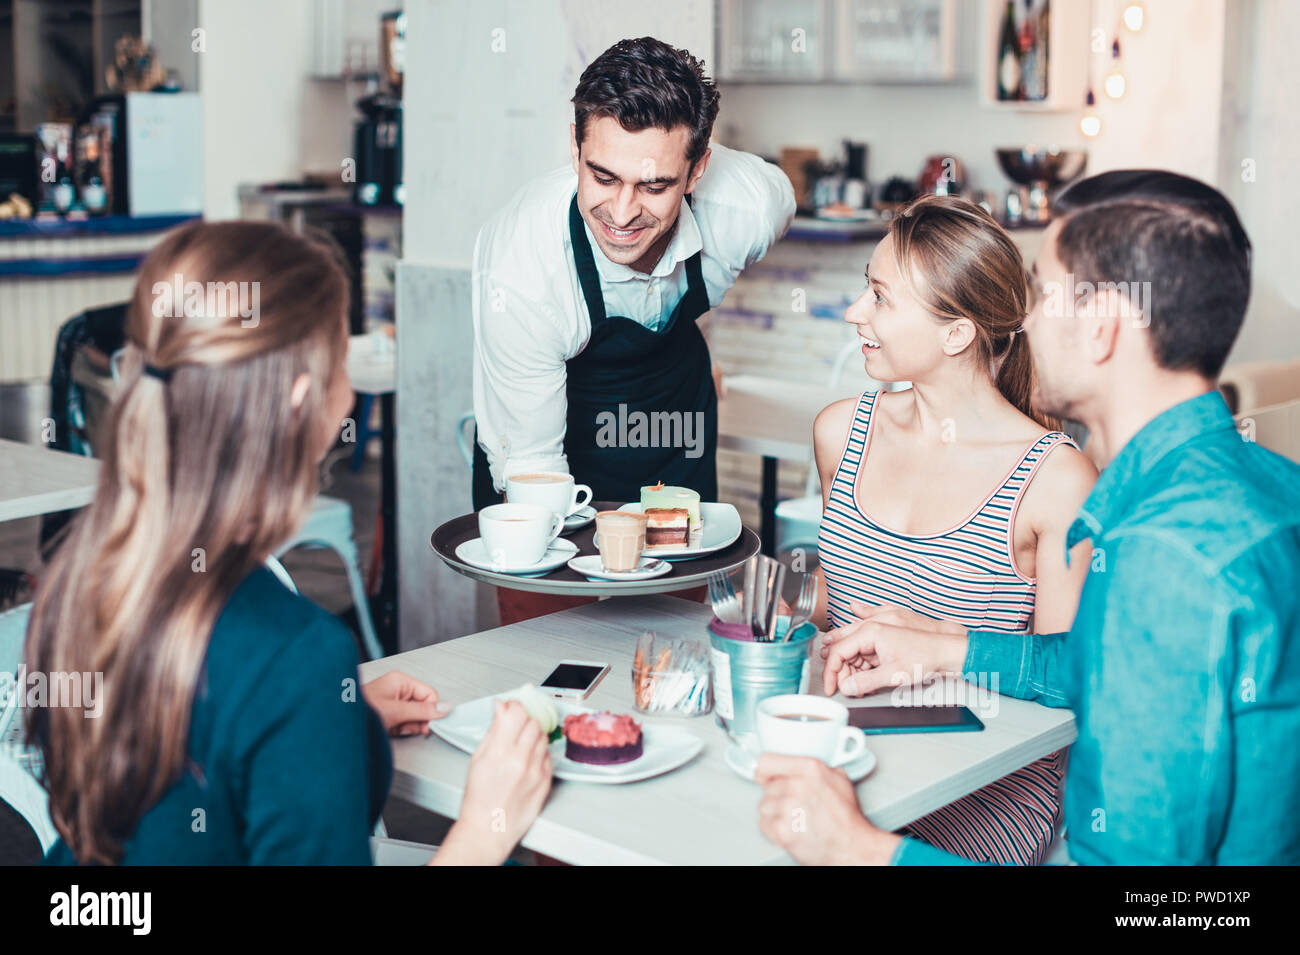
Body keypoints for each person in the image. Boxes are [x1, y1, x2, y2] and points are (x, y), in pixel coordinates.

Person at [756, 170, 1300, 866]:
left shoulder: (1162, 554)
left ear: (1102, 327)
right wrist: (948, 648)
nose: (1022, 319)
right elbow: (1090, 664)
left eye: (1043, 292)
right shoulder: (1265, 488)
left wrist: (863, 852)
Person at [26, 221, 551, 865]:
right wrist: (484, 829)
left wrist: (339, 728)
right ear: (303, 398)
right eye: (341, 365)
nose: (352, 390)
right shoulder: (297, 653)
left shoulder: (80, 580)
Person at [806, 194, 1097, 865]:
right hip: (849, 741)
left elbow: (1069, 681)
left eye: (880, 297)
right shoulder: (839, 430)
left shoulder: (1055, 481)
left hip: (983, 783)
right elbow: (846, 586)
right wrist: (743, 592)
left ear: (956, 333)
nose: (856, 313)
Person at [471, 36, 794, 623]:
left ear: (698, 169)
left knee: (675, 646)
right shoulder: (522, 264)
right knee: (548, 657)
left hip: (674, 430)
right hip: (550, 451)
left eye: (654, 186)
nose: (622, 214)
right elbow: (533, 468)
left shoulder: (747, 210)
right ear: (574, 147)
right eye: (603, 176)